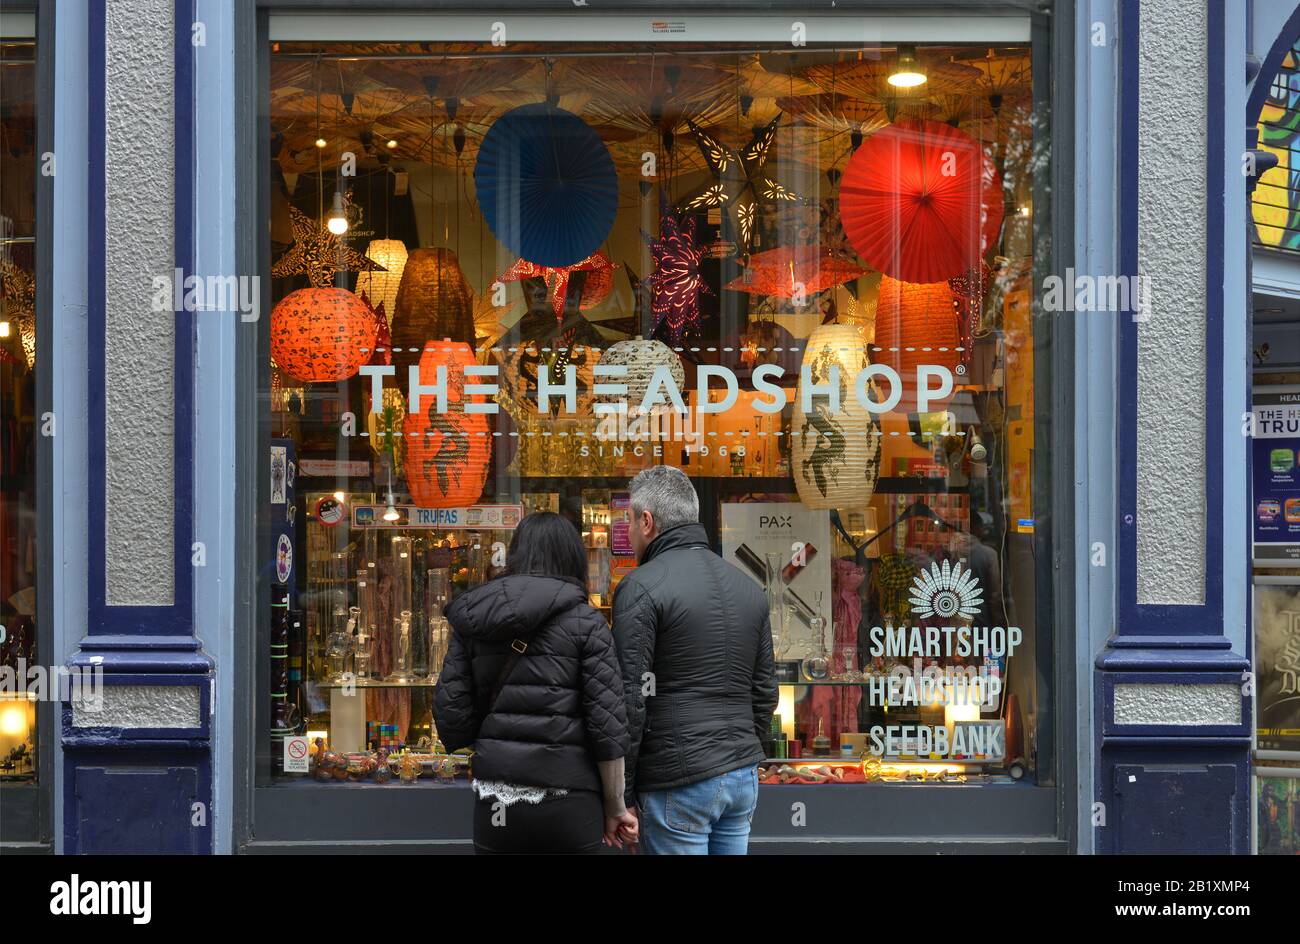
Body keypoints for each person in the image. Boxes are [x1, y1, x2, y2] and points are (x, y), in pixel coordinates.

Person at [434, 511, 636, 854]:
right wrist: (617, 806)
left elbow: (450, 711)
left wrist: (494, 744)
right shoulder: (587, 622)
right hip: (569, 801)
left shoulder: (476, 616)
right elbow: (608, 727)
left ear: (517, 554)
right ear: (573, 556)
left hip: (497, 803)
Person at [612, 465, 778, 854]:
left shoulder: (640, 586)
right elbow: (765, 690)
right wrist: (742, 748)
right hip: (740, 775)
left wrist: (624, 793)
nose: (630, 532)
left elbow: (630, 700)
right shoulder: (749, 588)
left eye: (630, 522)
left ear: (647, 521)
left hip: (678, 779)